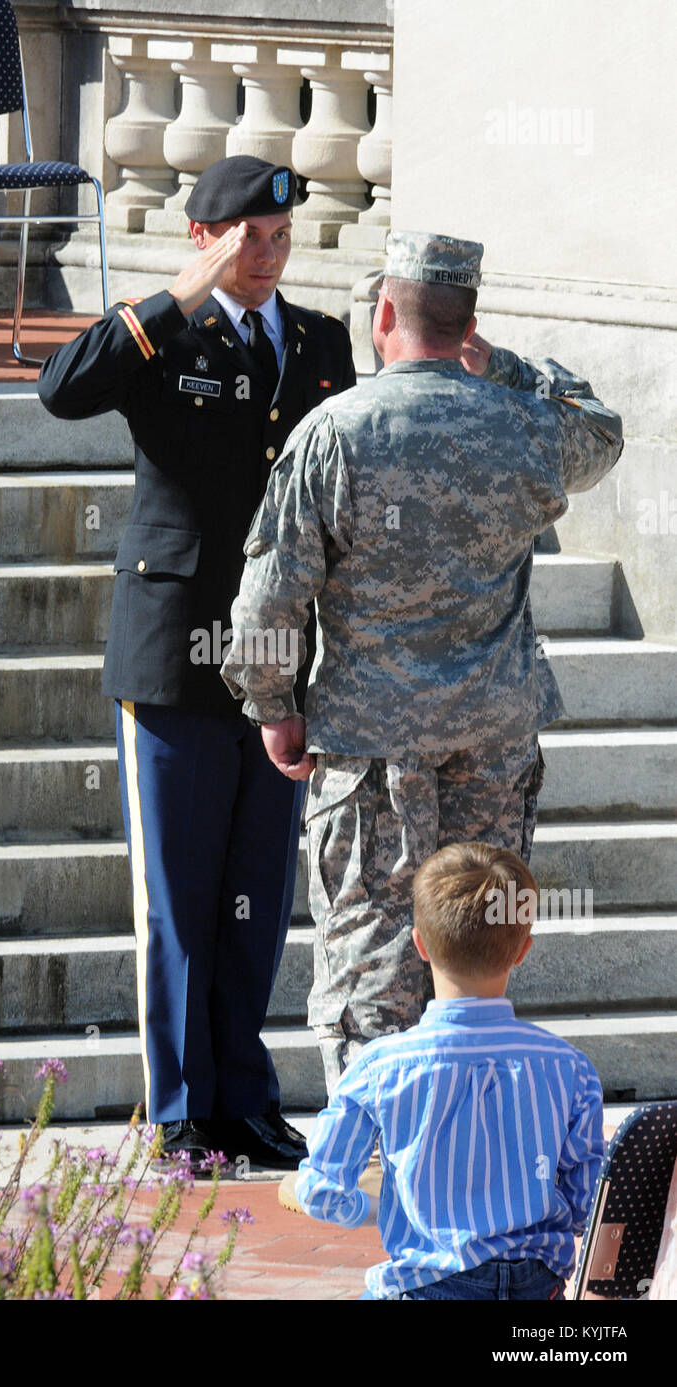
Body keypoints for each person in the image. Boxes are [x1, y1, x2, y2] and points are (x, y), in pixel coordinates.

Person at [221, 230, 624, 1094]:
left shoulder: (334, 432)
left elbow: (263, 608)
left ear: (383, 316)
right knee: (479, 955)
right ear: (467, 322)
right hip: (495, 740)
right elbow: (602, 432)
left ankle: (381, 1155)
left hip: (372, 752)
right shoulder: (525, 425)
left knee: (371, 960)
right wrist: (507, 365)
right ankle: (473, 1141)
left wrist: (273, 708)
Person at [38, 155, 356, 1169]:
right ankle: (179, 1110)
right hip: (175, 652)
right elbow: (63, 390)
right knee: (179, 899)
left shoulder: (316, 342)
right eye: (244, 240)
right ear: (203, 238)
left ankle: (244, 1101)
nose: (264, 257)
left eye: (276, 239)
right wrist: (181, 294)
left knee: (255, 891)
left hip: (274, 658)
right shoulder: (161, 331)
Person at [293, 842, 605, 1300]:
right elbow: (587, 1207)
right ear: (522, 950)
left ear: (418, 943)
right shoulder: (569, 1068)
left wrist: (378, 1207)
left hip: (426, 1285)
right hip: (539, 1287)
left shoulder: (379, 1068)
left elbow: (321, 1192)